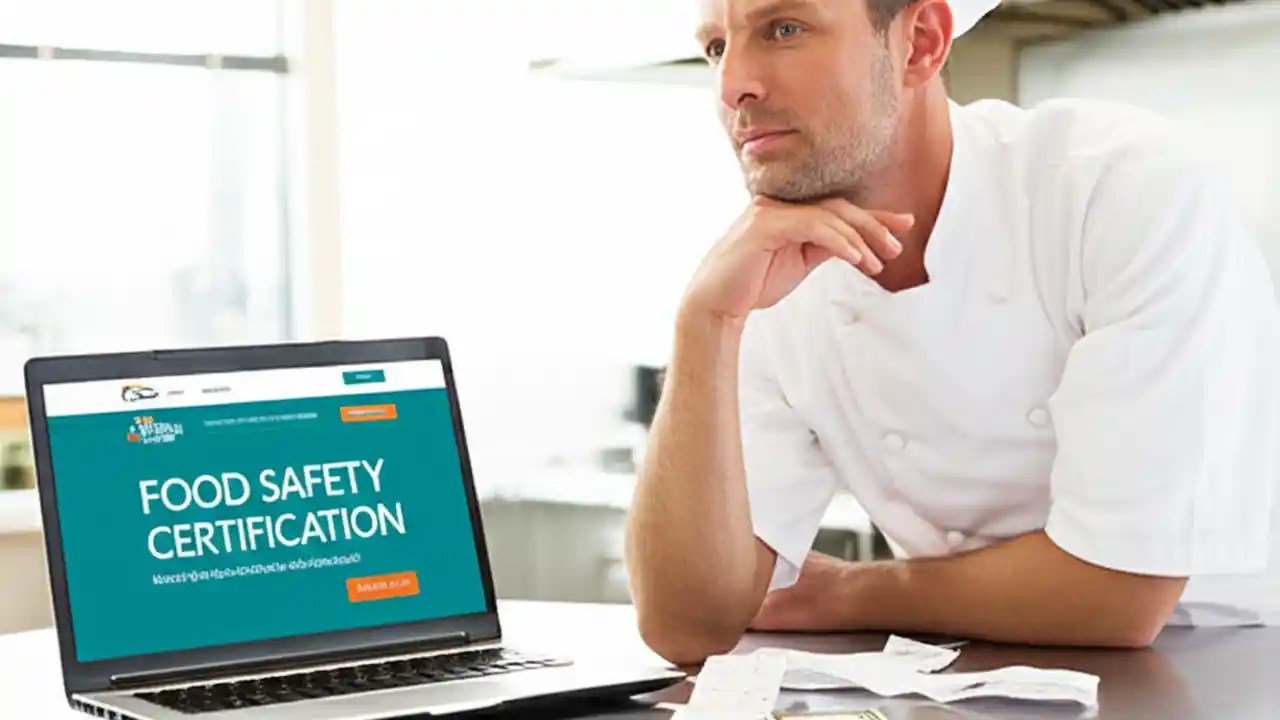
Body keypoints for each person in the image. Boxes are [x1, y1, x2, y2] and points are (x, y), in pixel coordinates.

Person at [624, 0, 1280, 666]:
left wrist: (847, 592)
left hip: (1234, 665)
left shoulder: (1117, 188)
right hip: (988, 667)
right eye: (714, 48)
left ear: (920, 43)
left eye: (783, 29)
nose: (734, 83)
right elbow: (685, 625)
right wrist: (704, 323)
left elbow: (1120, 594)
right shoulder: (775, 277)